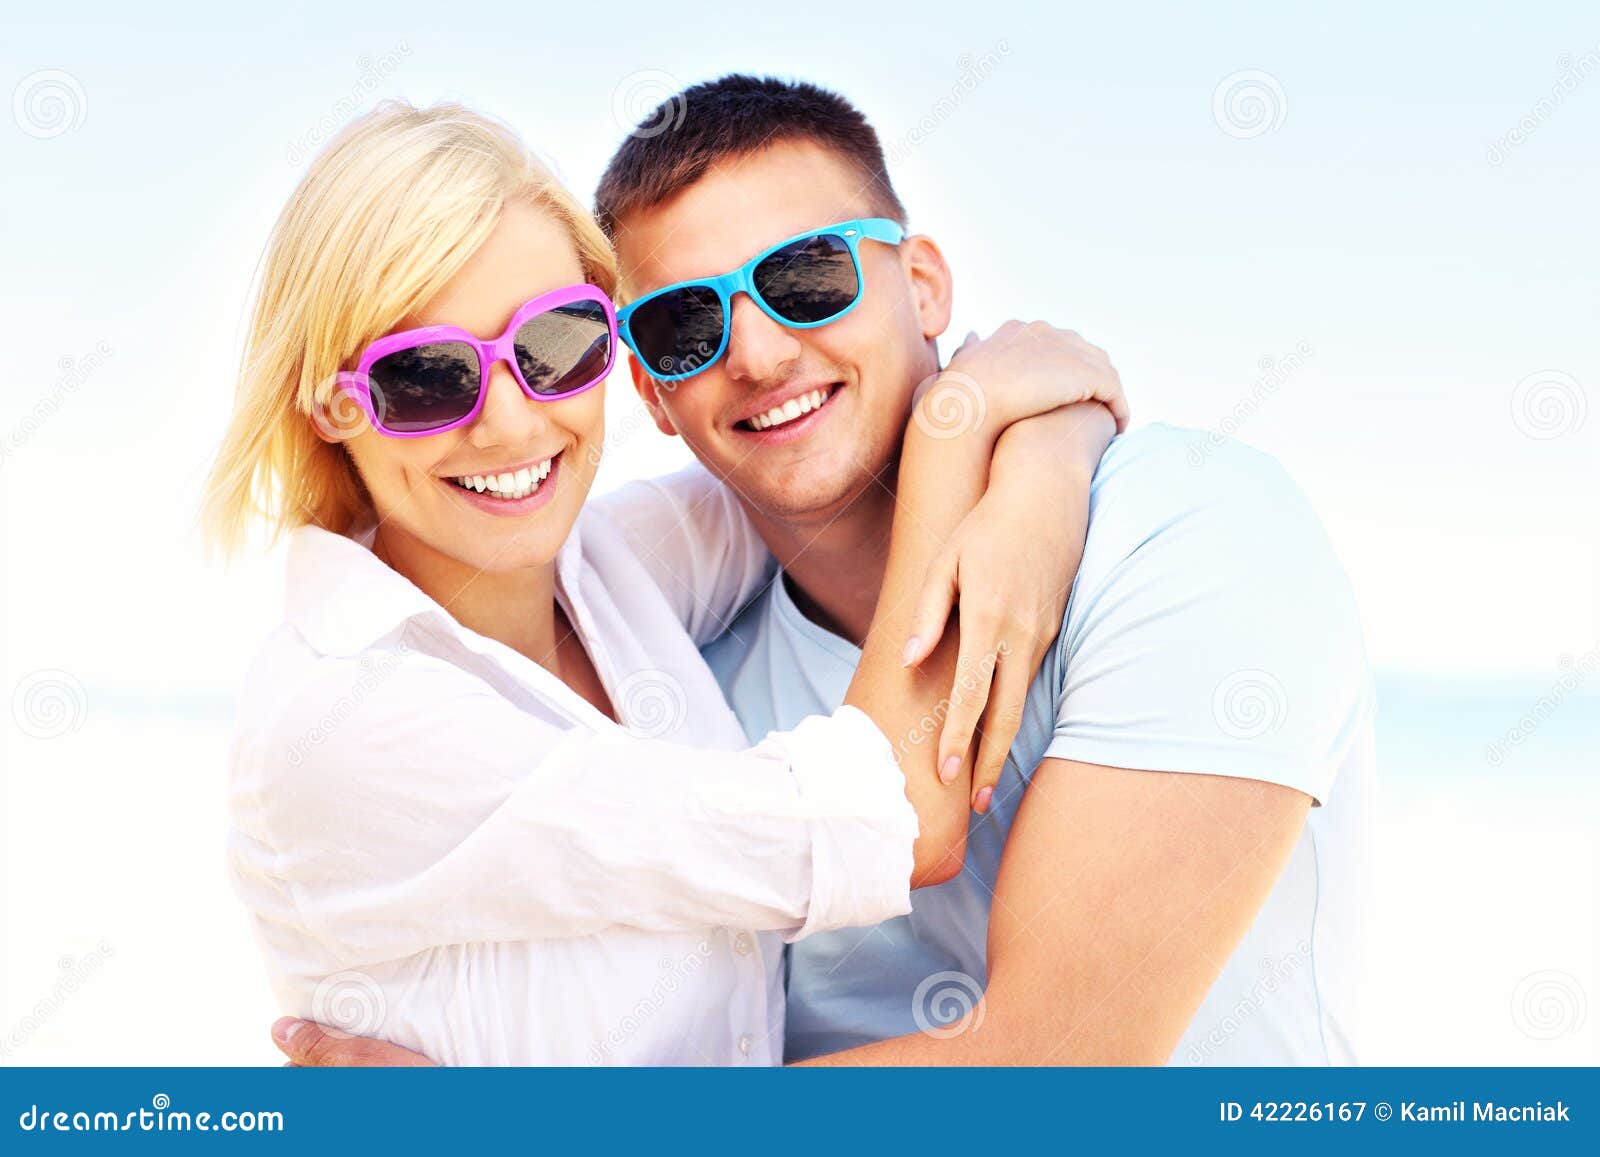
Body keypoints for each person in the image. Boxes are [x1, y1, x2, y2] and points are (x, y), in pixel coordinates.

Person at [276, 77, 1375, 1068]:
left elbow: (1057, 1072)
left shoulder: (1192, 535)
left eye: (807, 276)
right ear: (653, 389)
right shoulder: (670, 665)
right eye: (682, 321)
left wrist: (1034, 432)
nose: (754, 353)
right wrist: (970, 422)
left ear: (927, 285)